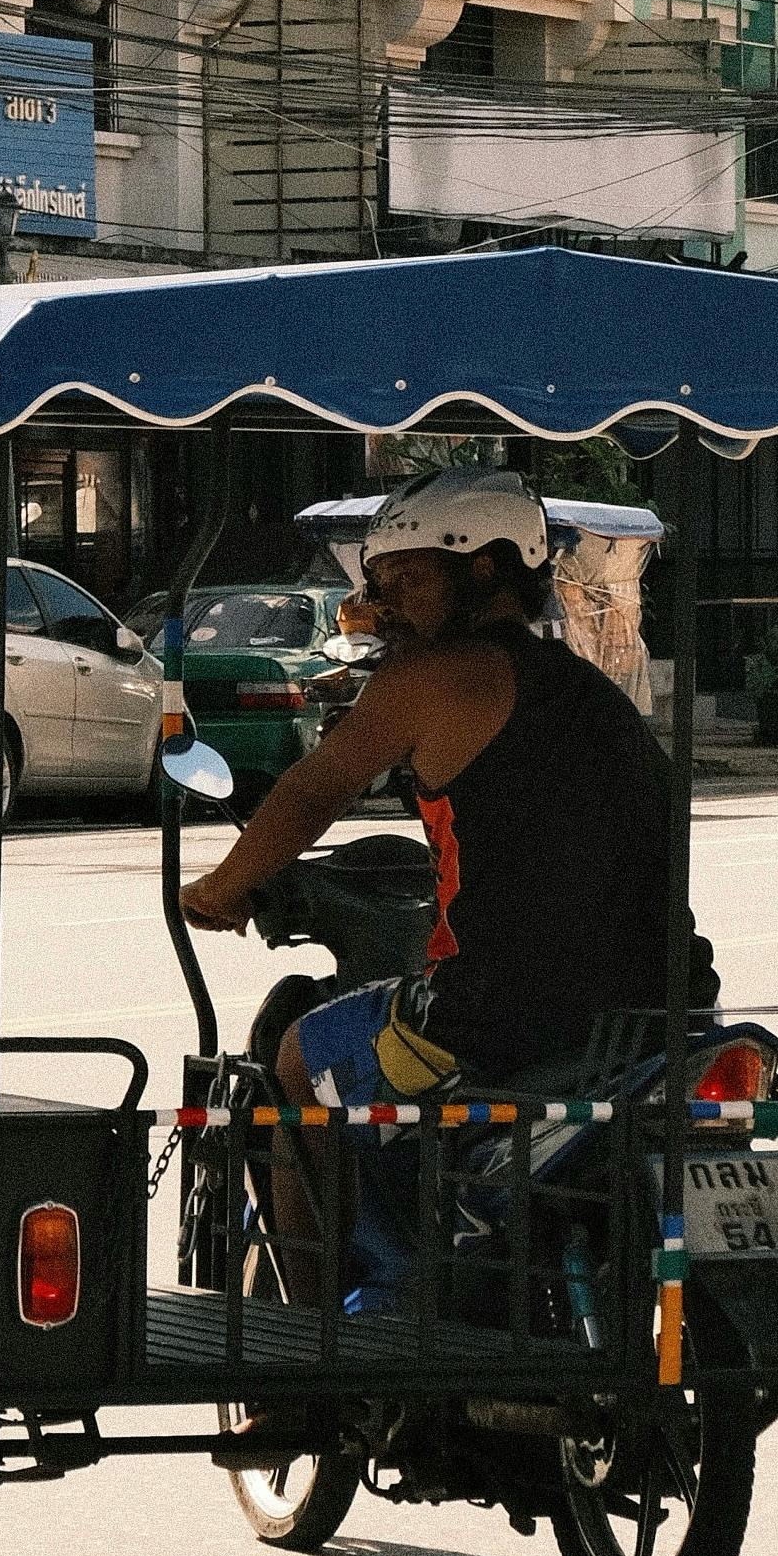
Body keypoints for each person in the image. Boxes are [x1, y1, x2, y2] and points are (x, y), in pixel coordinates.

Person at [183, 466, 715, 1326]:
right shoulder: (586, 689)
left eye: (406, 575)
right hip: (662, 1004)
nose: (383, 596)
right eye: (377, 578)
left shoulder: (432, 678)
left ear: (484, 568)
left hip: (498, 1012)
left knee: (295, 1059)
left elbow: (313, 792)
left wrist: (221, 887)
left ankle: (316, 1358)